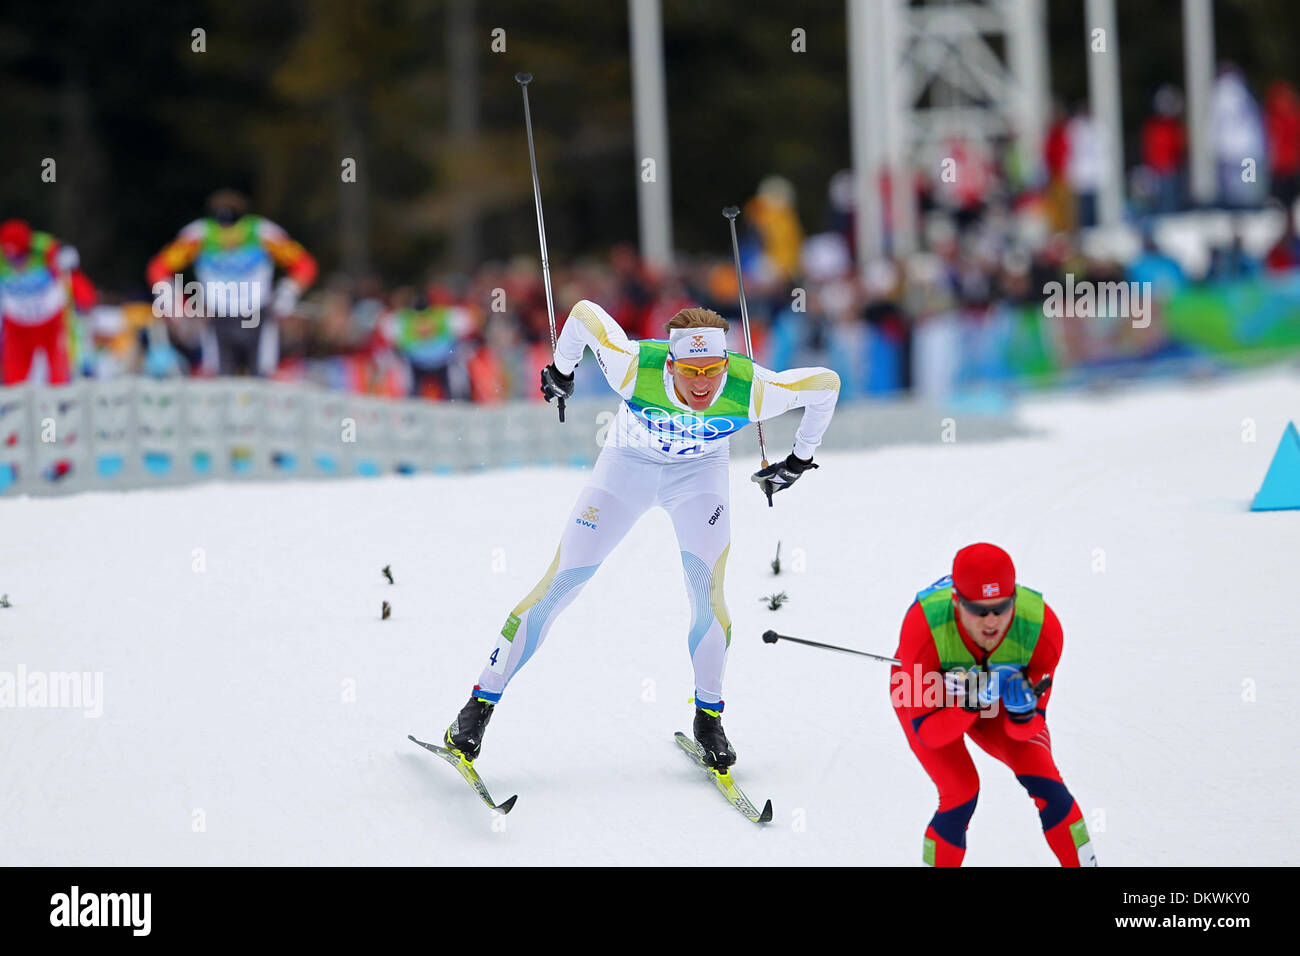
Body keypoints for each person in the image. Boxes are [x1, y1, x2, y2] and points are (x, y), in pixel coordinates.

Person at [440, 300, 841, 770]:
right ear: (670, 364)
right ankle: (477, 709)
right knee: (559, 585)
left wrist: (797, 460)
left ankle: (708, 719)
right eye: (690, 371)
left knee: (709, 597)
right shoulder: (632, 366)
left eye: (713, 370)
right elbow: (586, 314)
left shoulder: (753, 388)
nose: (702, 383)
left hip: (699, 476)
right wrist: (562, 369)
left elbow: (826, 386)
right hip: (627, 467)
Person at [890, 543, 1097, 866]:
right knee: (961, 792)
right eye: (978, 610)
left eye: (1002, 608)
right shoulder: (924, 627)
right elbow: (929, 733)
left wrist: (1022, 710)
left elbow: (1025, 731)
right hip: (933, 695)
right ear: (957, 602)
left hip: (994, 696)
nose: (991, 622)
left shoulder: (1041, 628)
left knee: (1047, 783)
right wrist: (970, 703)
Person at [146, 189, 317, 376]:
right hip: (217, 318)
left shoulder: (261, 231)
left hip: (257, 315)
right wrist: (178, 306)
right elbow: (159, 269)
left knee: (263, 378)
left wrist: (287, 293)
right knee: (219, 380)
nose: (229, 237)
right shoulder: (200, 233)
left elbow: (304, 265)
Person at [0, 219, 96, 385]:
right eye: (11, 259)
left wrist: (84, 297)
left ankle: (61, 401)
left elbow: (72, 277)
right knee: (13, 374)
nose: (17, 264)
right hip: (17, 324)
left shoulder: (45, 250)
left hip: (51, 321)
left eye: (20, 257)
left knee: (58, 371)